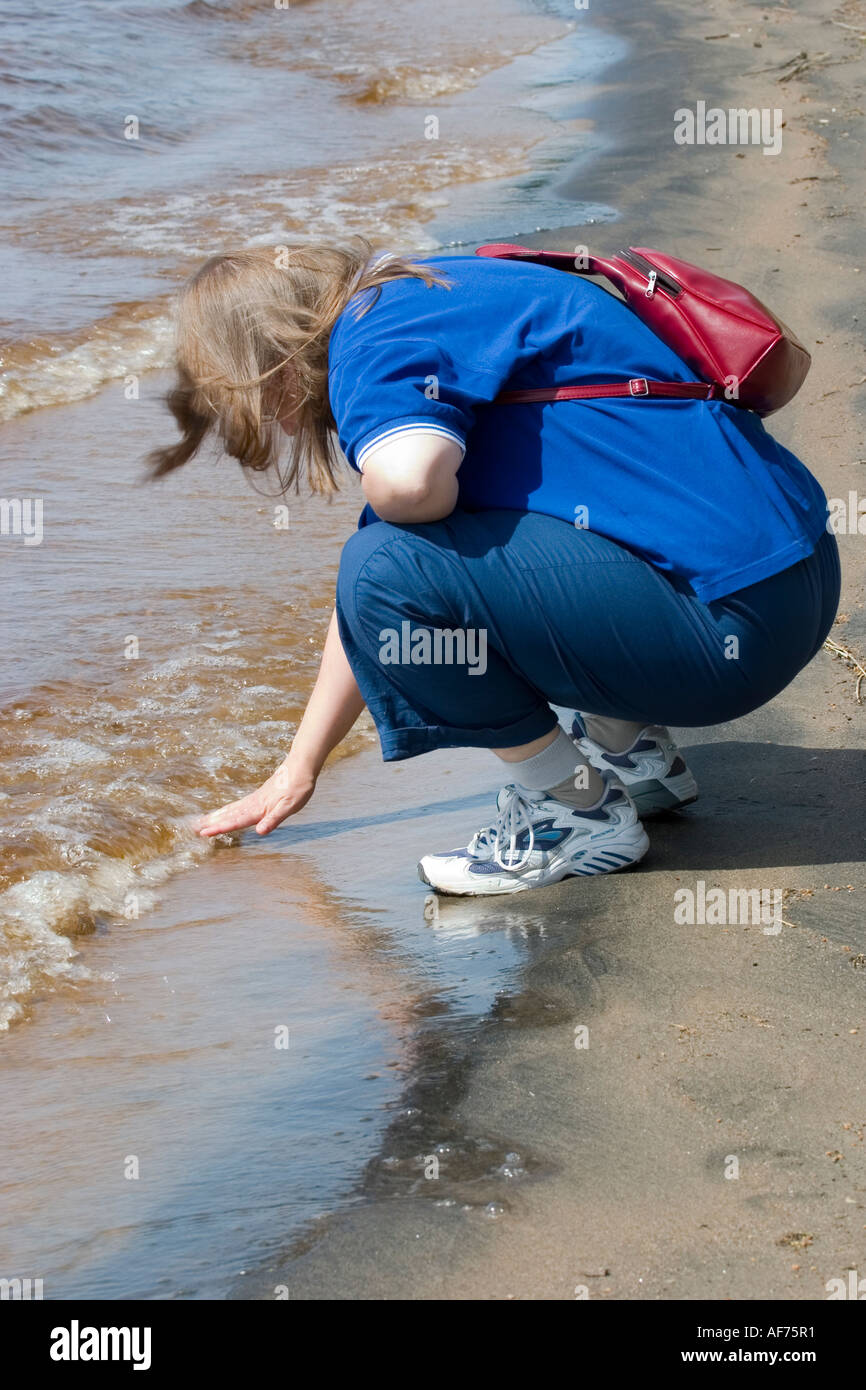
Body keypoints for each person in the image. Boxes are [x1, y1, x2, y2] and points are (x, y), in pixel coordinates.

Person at [147, 241, 839, 895]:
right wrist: (297, 771)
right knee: (424, 556)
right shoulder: (444, 287)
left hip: (723, 633)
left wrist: (424, 507)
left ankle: (574, 814)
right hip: (789, 582)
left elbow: (403, 504)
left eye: (256, 401)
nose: (282, 424)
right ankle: (627, 749)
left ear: (274, 357)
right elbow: (365, 600)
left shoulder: (368, 334)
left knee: (389, 564)